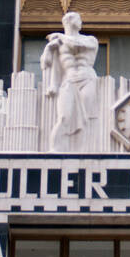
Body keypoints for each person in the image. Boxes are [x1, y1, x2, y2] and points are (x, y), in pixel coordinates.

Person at [40, 11, 99, 152]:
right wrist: (48, 48)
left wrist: (60, 36)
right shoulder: (58, 44)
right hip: (68, 81)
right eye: (79, 20)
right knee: (64, 117)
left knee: (84, 118)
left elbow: (76, 44)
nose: (81, 22)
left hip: (87, 79)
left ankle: (81, 152)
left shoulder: (90, 40)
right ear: (71, 22)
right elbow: (45, 64)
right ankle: (55, 149)